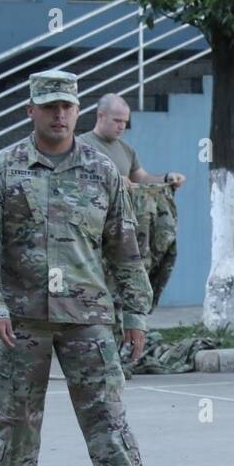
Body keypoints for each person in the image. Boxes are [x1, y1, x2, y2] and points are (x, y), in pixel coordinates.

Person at [0, 70, 158, 466]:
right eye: (49, 106)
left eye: (66, 106)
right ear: (30, 110)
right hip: (22, 318)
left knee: (107, 414)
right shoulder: (2, 170)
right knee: (15, 414)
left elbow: (125, 250)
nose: (58, 115)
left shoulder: (102, 171)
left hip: (87, 315)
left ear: (77, 111)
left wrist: (135, 316)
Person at [78, 93, 184, 370]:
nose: (121, 126)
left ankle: (115, 354)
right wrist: (113, 180)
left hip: (125, 234)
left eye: (125, 122)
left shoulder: (125, 149)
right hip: (96, 235)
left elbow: (142, 178)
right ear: (100, 116)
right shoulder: (82, 146)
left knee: (124, 291)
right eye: (117, 121)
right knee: (101, 294)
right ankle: (96, 353)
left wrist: (166, 179)